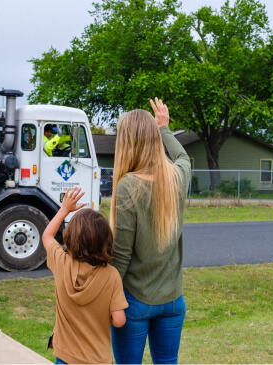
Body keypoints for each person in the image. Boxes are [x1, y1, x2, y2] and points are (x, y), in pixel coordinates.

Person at [109, 98, 191, 364]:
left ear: (127, 142)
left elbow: (120, 256)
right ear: (154, 139)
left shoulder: (128, 186)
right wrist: (164, 128)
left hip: (134, 301)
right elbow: (182, 157)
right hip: (173, 300)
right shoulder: (177, 177)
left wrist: (105, 296)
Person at [42, 186, 128, 364]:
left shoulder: (62, 263)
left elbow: (47, 236)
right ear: (106, 241)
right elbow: (119, 321)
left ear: (71, 237)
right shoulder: (111, 275)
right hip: (98, 359)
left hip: (66, 357)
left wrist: (65, 209)